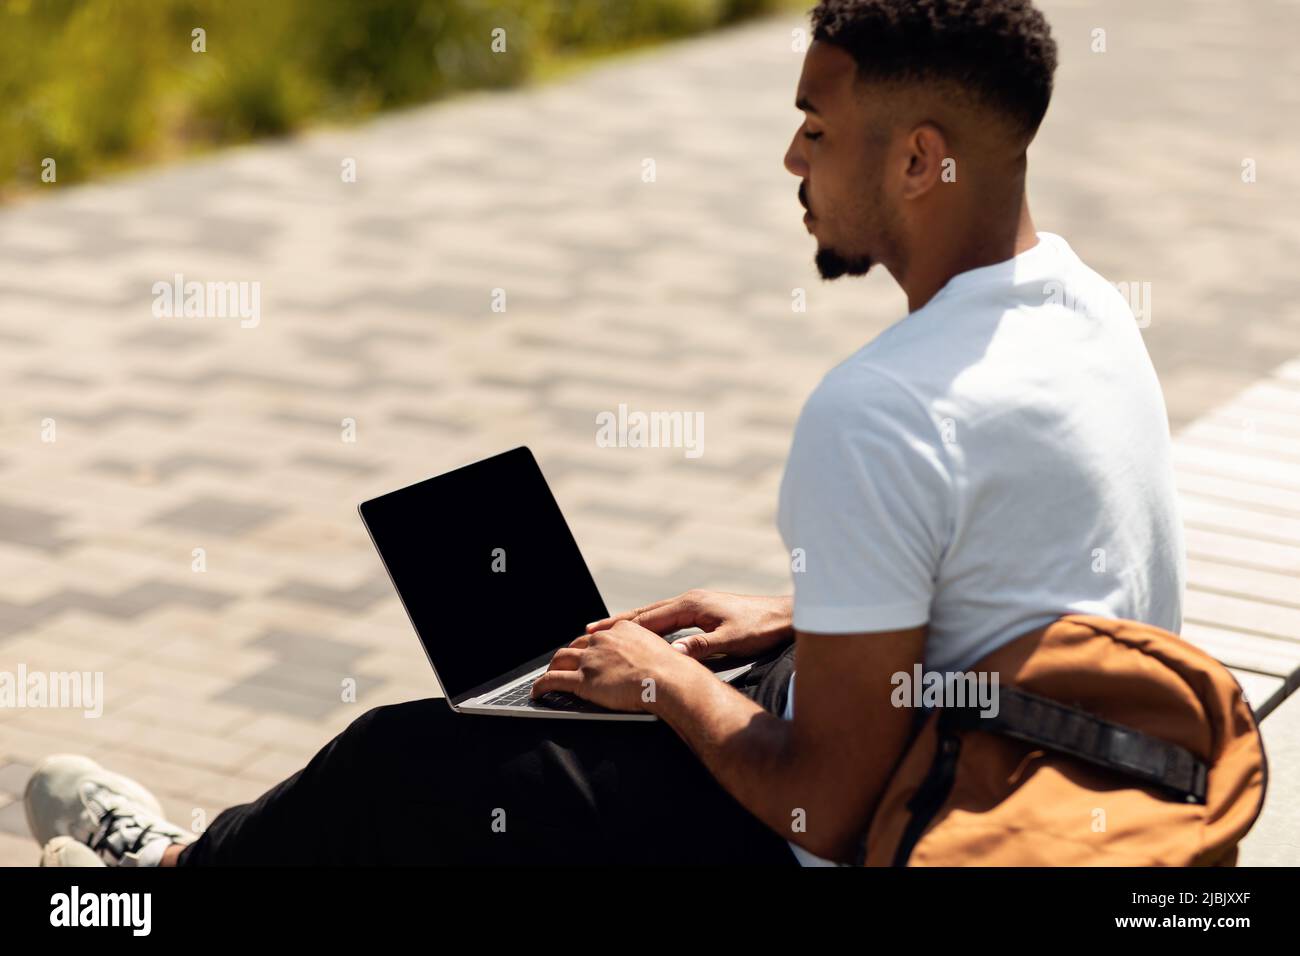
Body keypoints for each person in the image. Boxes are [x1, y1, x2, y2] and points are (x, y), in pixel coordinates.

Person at [25, 0, 1184, 867]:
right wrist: (811, 622)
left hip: (898, 838)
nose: (791, 160)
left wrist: (672, 691)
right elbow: (1031, 581)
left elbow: (817, 812)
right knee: (583, 687)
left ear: (921, 158)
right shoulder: (1085, 309)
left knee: (416, 758)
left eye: (815, 130)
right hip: (1046, 770)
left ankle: (158, 875)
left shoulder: (882, 407)